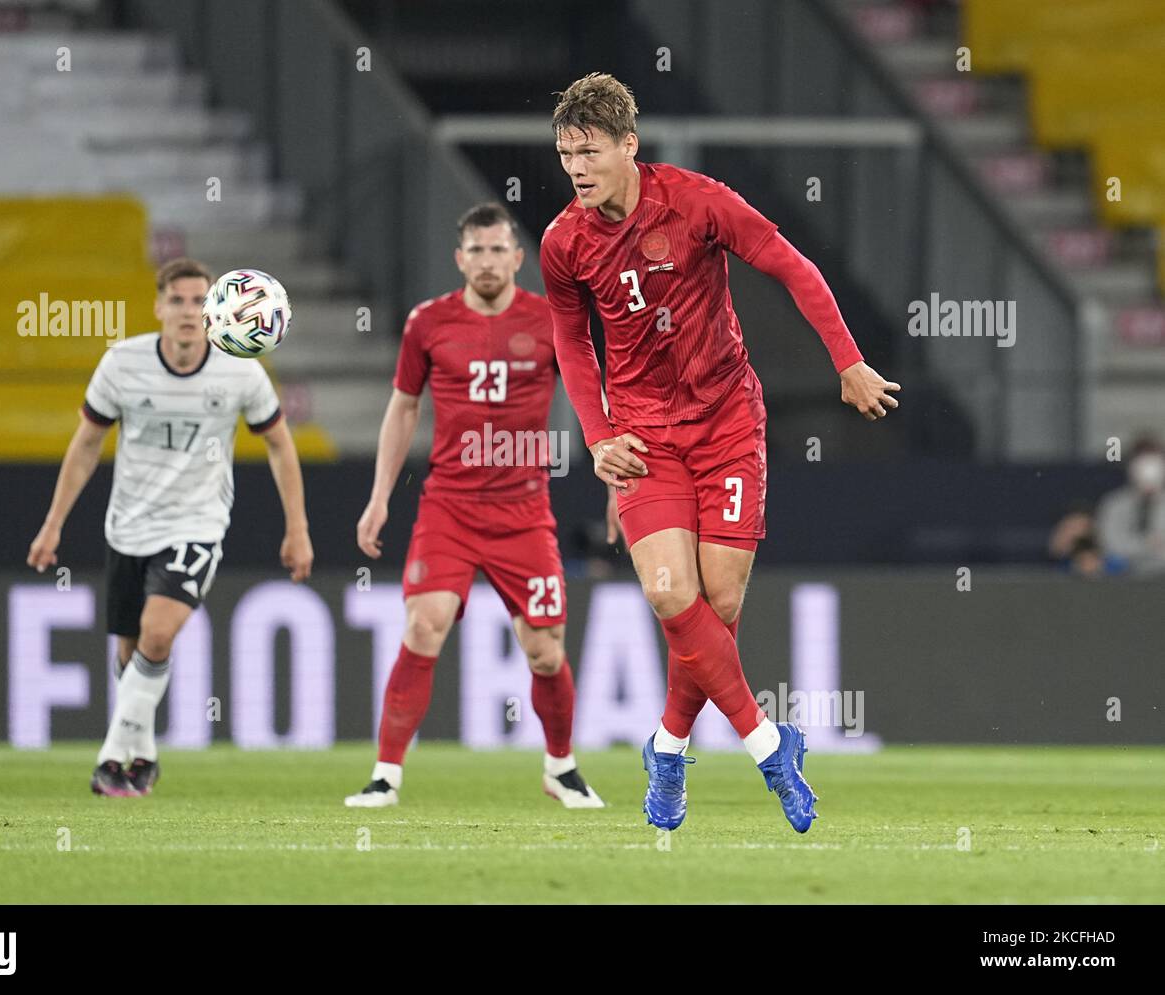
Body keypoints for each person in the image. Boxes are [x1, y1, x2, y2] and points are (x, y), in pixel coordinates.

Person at [539, 73, 900, 833]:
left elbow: (788, 263)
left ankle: (667, 749)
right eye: (567, 151)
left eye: (590, 150)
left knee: (720, 604)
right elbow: (570, 342)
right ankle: (772, 748)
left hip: (728, 422)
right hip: (644, 438)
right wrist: (599, 435)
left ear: (628, 146)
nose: (576, 166)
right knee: (673, 595)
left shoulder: (698, 201)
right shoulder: (563, 243)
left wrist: (848, 359)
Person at [347, 203, 603, 809]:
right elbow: (403, 407)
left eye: (498, 250)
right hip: (450, 509)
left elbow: (594, 396)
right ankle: (385, 774)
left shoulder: (550, 322)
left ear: (517, 258)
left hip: (525, 511)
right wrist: (380, 496)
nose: (488, 261)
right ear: (460, 258)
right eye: (476, 250)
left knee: (546, 647)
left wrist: (617, 480)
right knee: (423, 625)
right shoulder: (427, 324)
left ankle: (561, 767)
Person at [27, 257, 313, 796]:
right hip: (129, 525)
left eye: (199, 301)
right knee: (132, 650)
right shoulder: (122, 363)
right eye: (177, 301)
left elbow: (279, 443)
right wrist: (53, 524)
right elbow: (87, 444)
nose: (188, 312)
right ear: (158, 306)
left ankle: (113, 759)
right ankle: (145, 755)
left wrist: (297, 527)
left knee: (160, 632)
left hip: (197, 523)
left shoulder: (241, 369)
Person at [1096, 435, 1165, 575]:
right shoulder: (1113, 504)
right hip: (1123, 581)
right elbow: (1111, 546)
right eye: (1143, 464)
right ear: (1132, 467)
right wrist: (1147, 544)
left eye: (1154, 464)